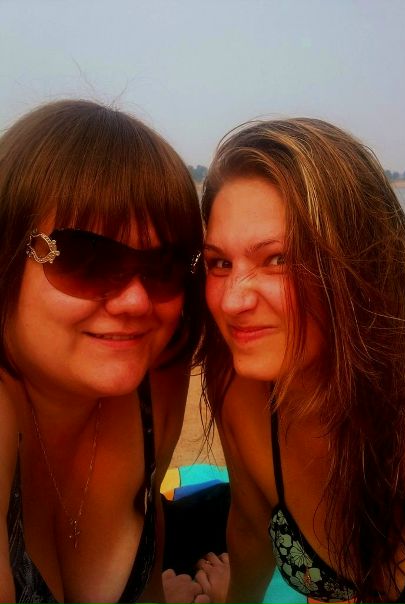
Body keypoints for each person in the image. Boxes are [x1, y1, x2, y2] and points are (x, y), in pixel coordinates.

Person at [196, 118, 405, 603]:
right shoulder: (240, 391)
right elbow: (250, 529)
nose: (232, 301)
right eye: (220, 263)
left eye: (277, 259)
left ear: (357, 261)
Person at [0, 99, 208, 604]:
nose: (136, 302)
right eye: (86, 257)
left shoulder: (157, 377)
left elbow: (150, 550)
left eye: (163, 265)